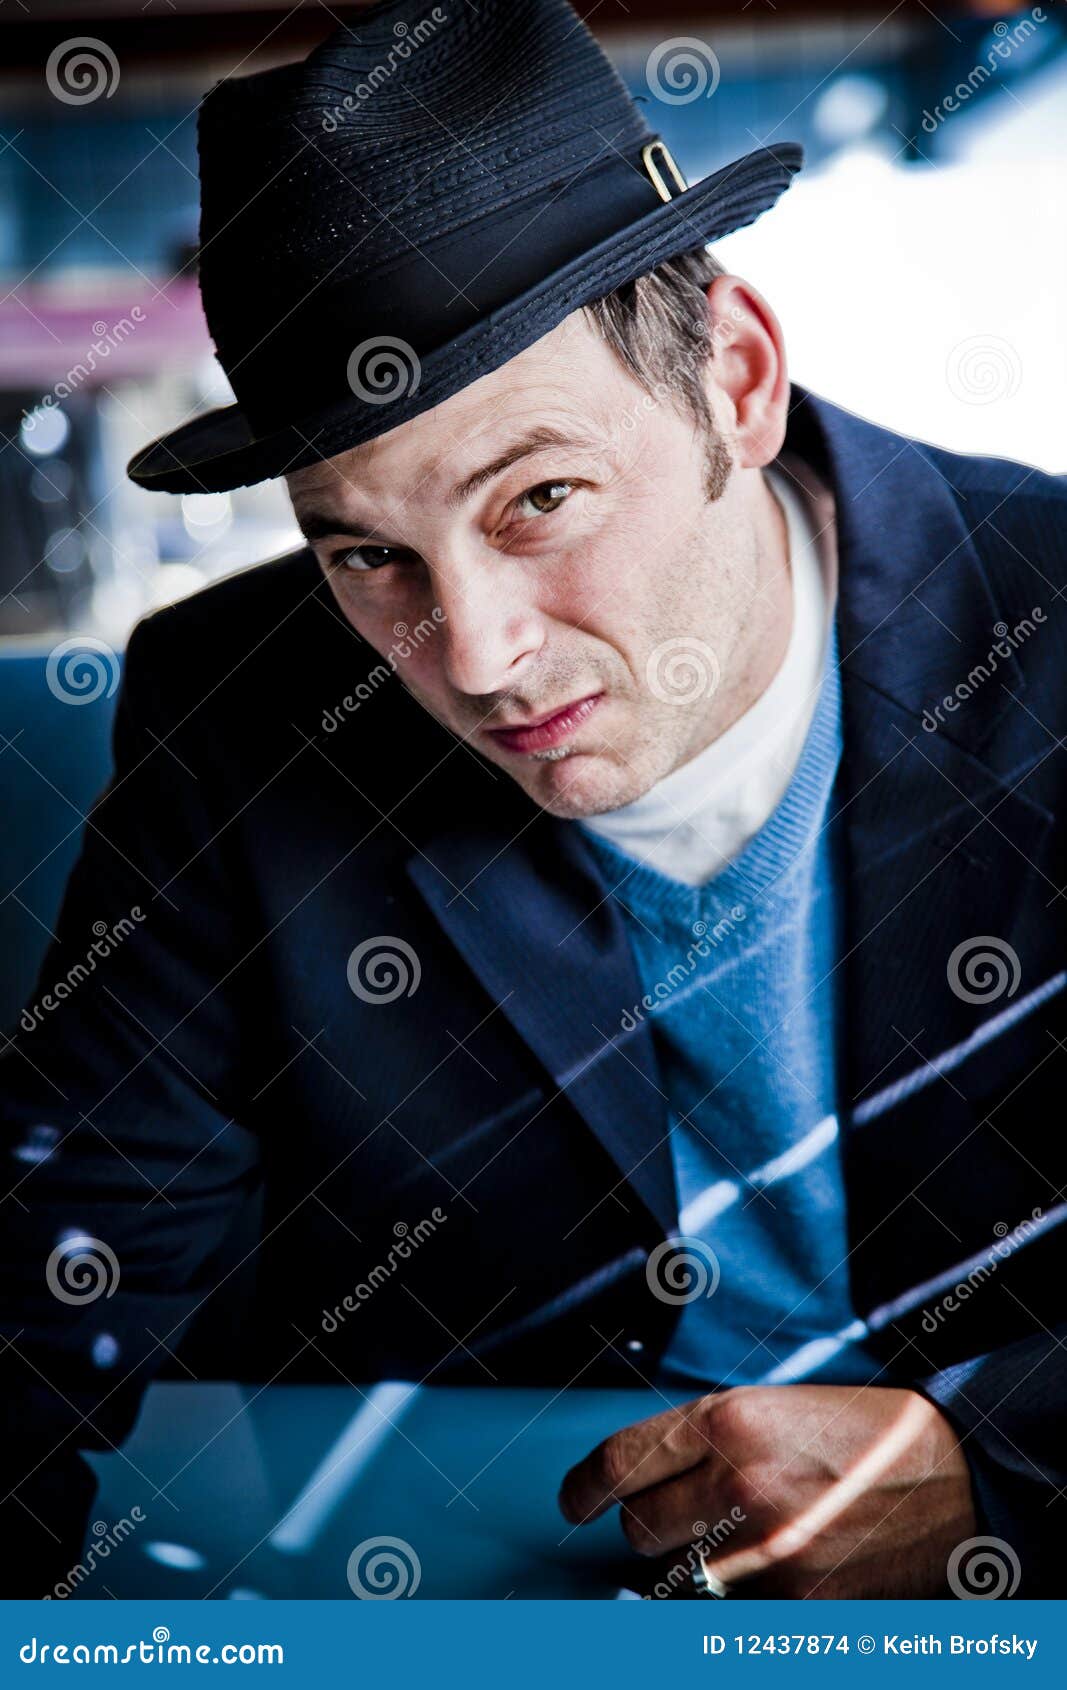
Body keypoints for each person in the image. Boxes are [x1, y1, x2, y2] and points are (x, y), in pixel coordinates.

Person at [2, 0, 1064, 1600]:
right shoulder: (235, 717)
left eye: (542, 497)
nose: (478, 654)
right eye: (364, 551)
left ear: (738, 377)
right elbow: (58, 1258)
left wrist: (1006, 1465)